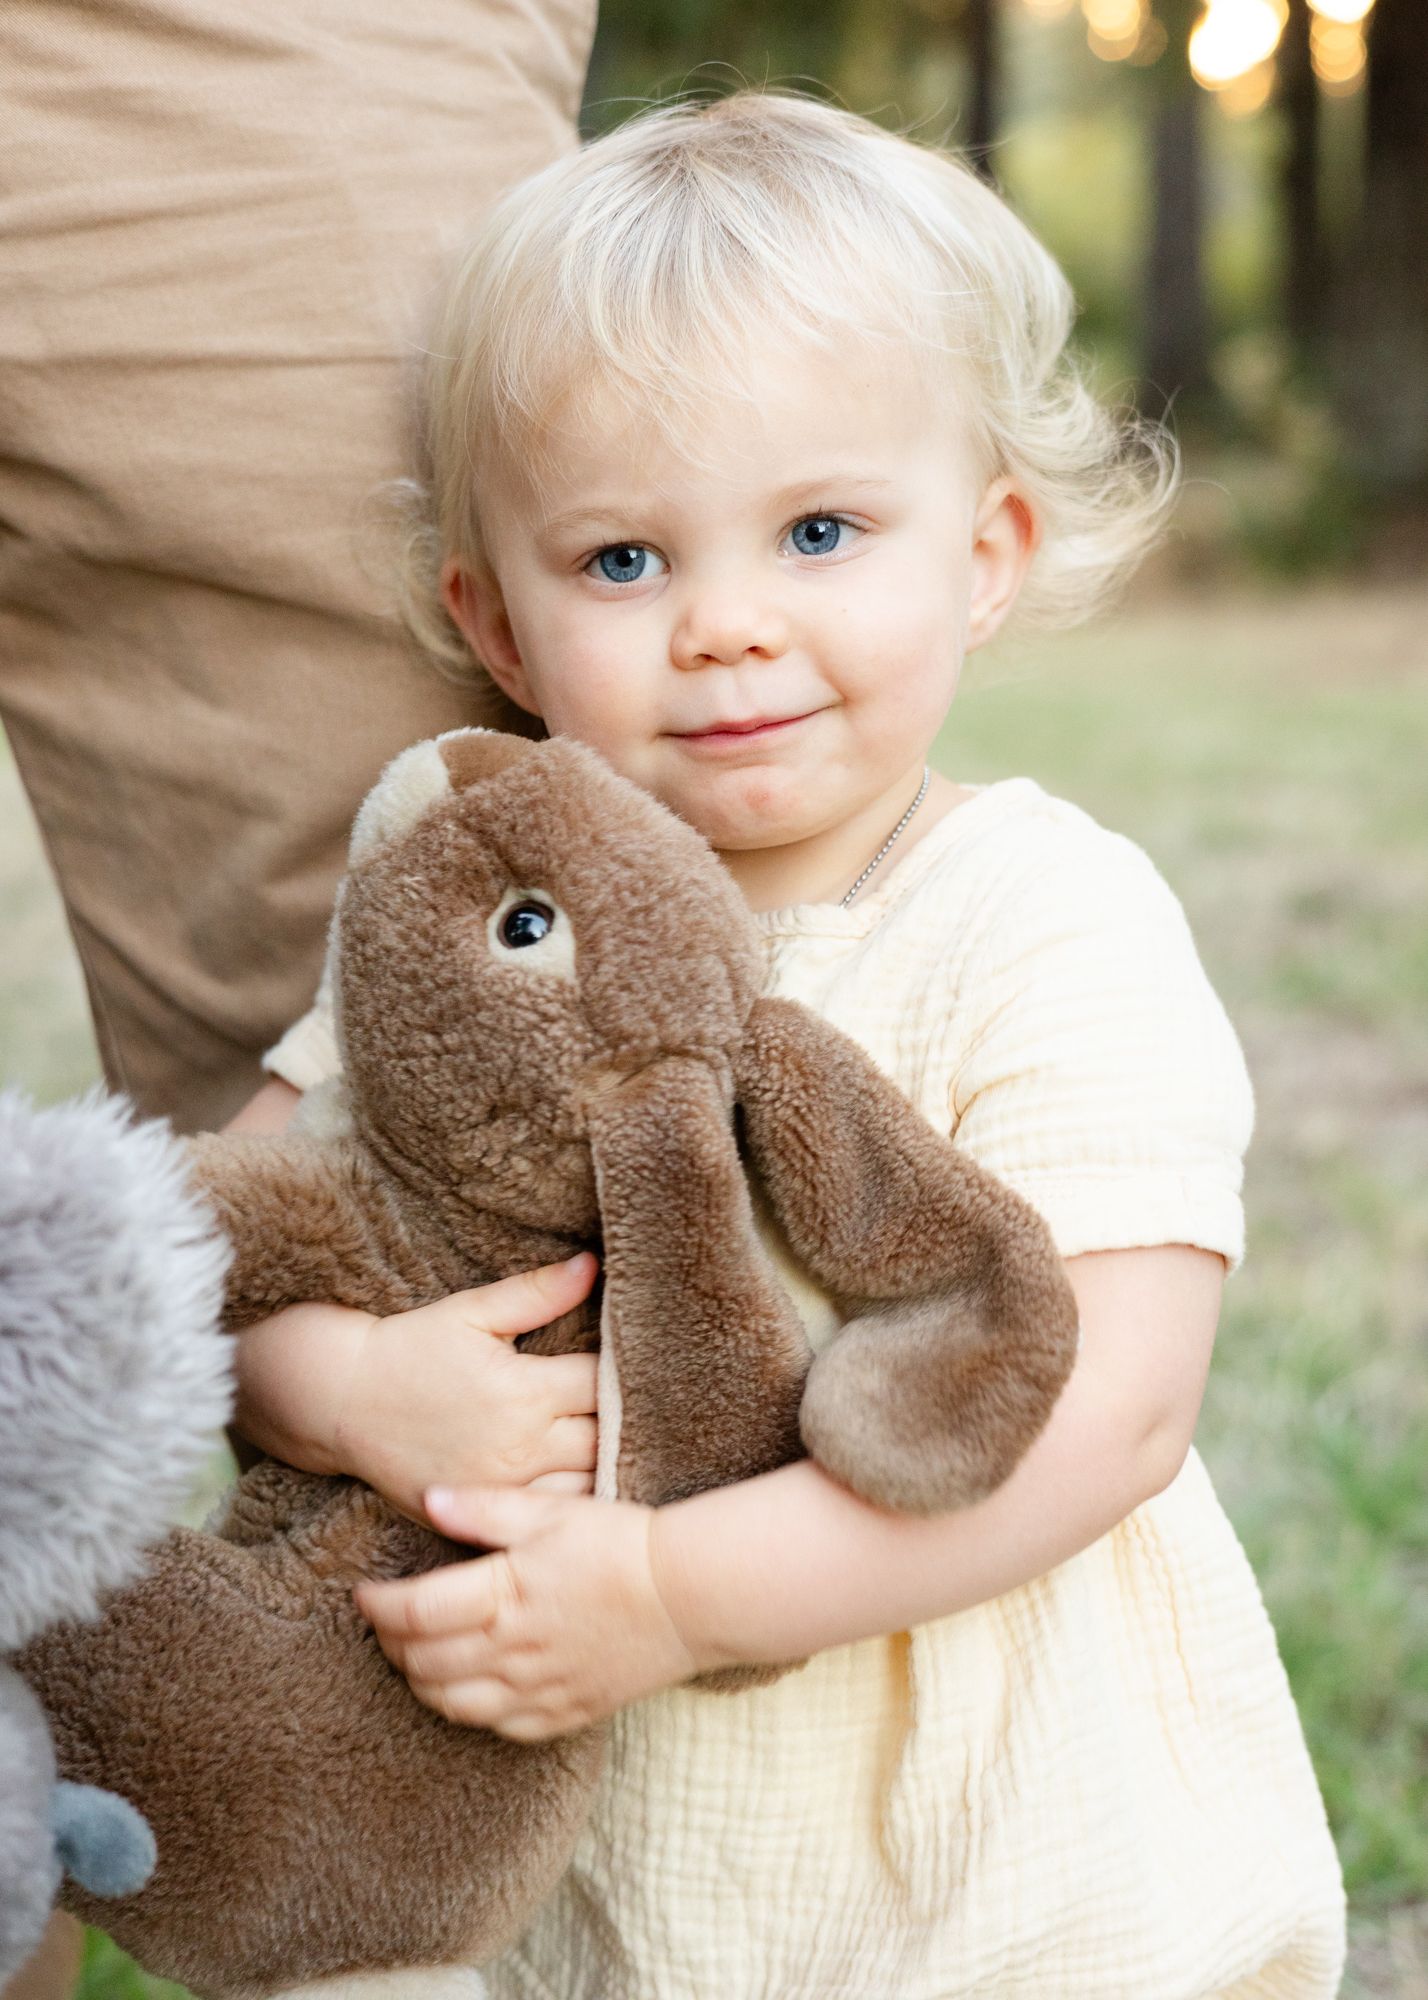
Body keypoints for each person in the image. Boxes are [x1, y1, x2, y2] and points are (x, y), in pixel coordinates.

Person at [230, 91, 1347, 1998]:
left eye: (819, 530)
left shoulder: (1044, 918)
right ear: (489, 621)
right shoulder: (488, 908)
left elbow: (1117, 1406)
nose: (728, 627)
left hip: (996, 1864)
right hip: (602, 1865)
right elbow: (228, 1231)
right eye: (623, 564)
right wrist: (342, 1392)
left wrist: (671, 1593)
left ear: (985, 550)